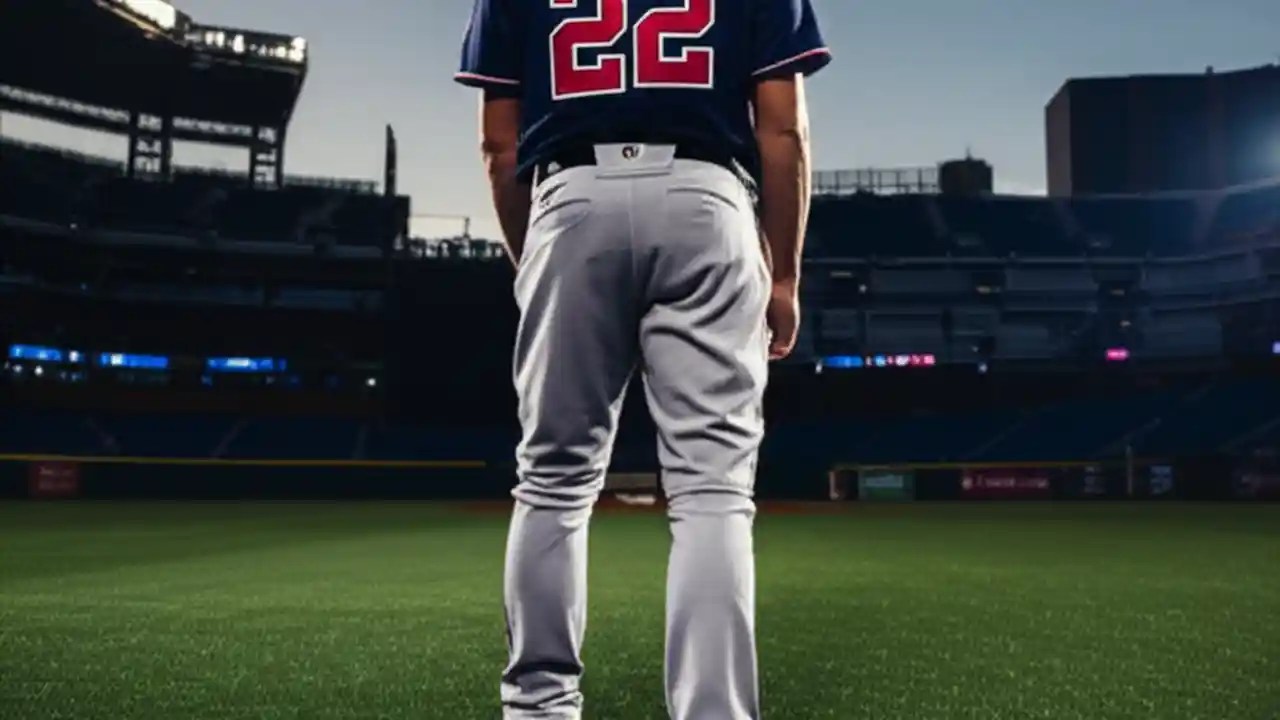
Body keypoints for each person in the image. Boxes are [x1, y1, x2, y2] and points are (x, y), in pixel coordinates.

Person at [455, 1, 829, 717]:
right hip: (707, 199)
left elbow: (499, 147)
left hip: (569, 198)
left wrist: (532, 255)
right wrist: (784, 275)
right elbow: (783, 127)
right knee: (713, 491)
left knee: (554, 482)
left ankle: (538, 709)